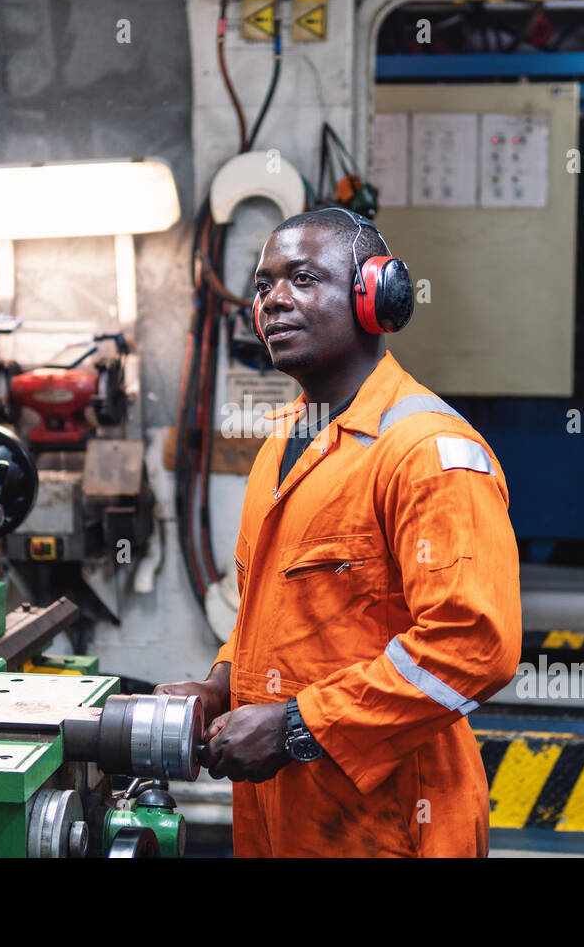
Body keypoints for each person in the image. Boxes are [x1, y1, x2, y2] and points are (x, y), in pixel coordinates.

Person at [156, 207, 522, 857]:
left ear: (375, 297)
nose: (273, 301)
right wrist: (219, 687)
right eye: (264, 284)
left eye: (302, 278)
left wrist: (298, 727)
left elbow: (474, 646)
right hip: (281, 816)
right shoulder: (282, 443)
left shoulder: (426, 452)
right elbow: (268, 613)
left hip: (389, 823)